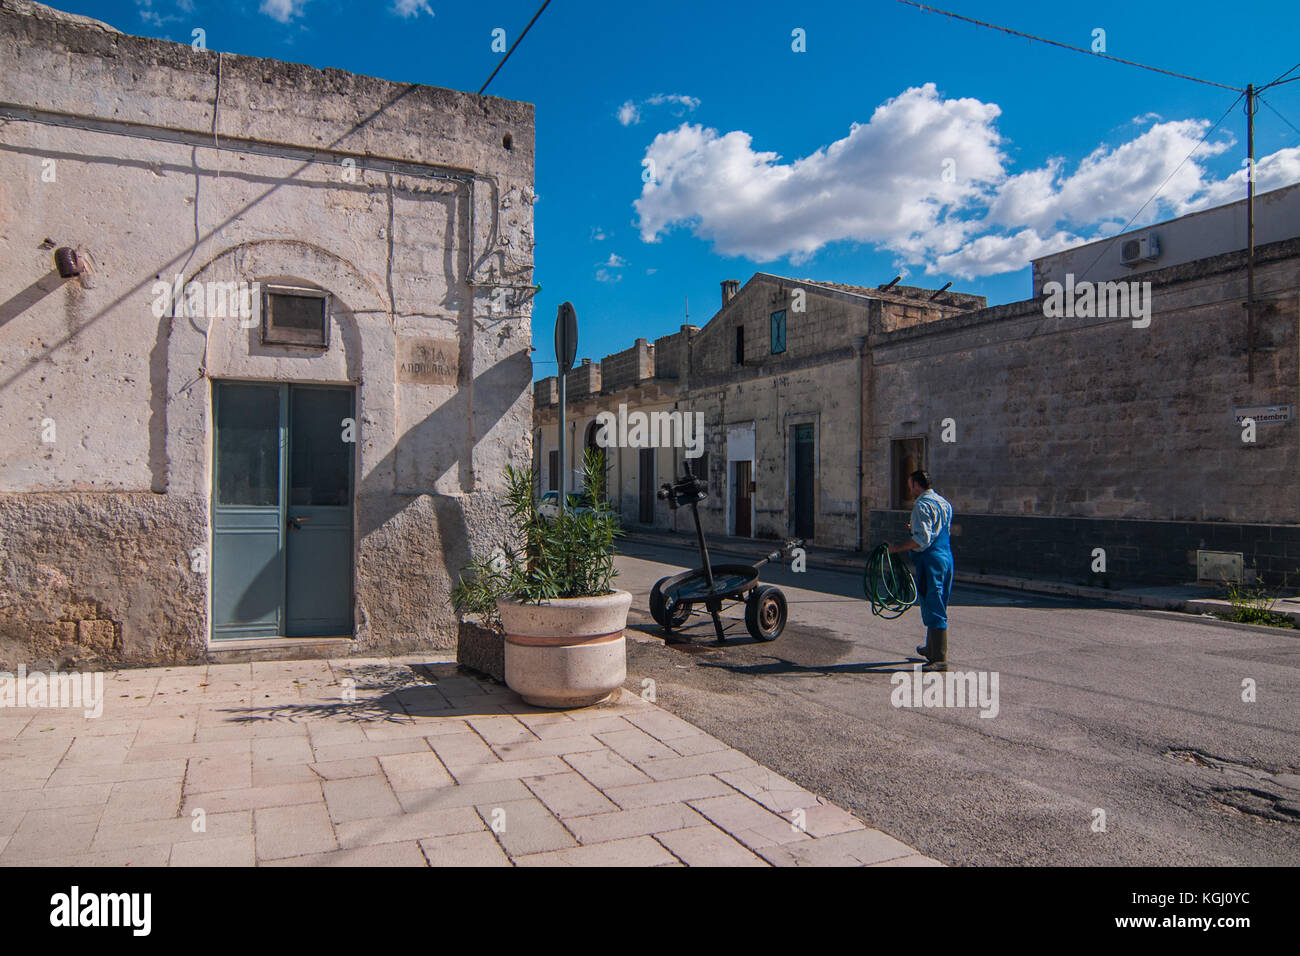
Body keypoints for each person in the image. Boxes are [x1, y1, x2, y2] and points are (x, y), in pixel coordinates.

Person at [888, 470, 954, 668]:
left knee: (932, 603)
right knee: (939, 600)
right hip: (946, 557)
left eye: (910, 486)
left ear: (917, 485)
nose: (910, 490)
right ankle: (931, 647)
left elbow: (922, 540)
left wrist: (896, 549)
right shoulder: (944, 503)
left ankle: (939, 658)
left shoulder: (921, 505)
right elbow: (936, 531)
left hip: (930, 560)